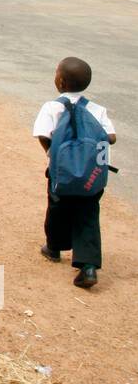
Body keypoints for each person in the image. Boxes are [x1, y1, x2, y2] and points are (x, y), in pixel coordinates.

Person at [34, 57, 116, 289]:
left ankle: (54, 248)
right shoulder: (96, 109)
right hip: (92, 177)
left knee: (57, 208)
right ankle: (88, 267)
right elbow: (112, 137)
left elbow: (42, 134)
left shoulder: (52, 107)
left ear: (60, 81)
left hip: (62, 174)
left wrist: (52, 152)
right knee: (88, 215)